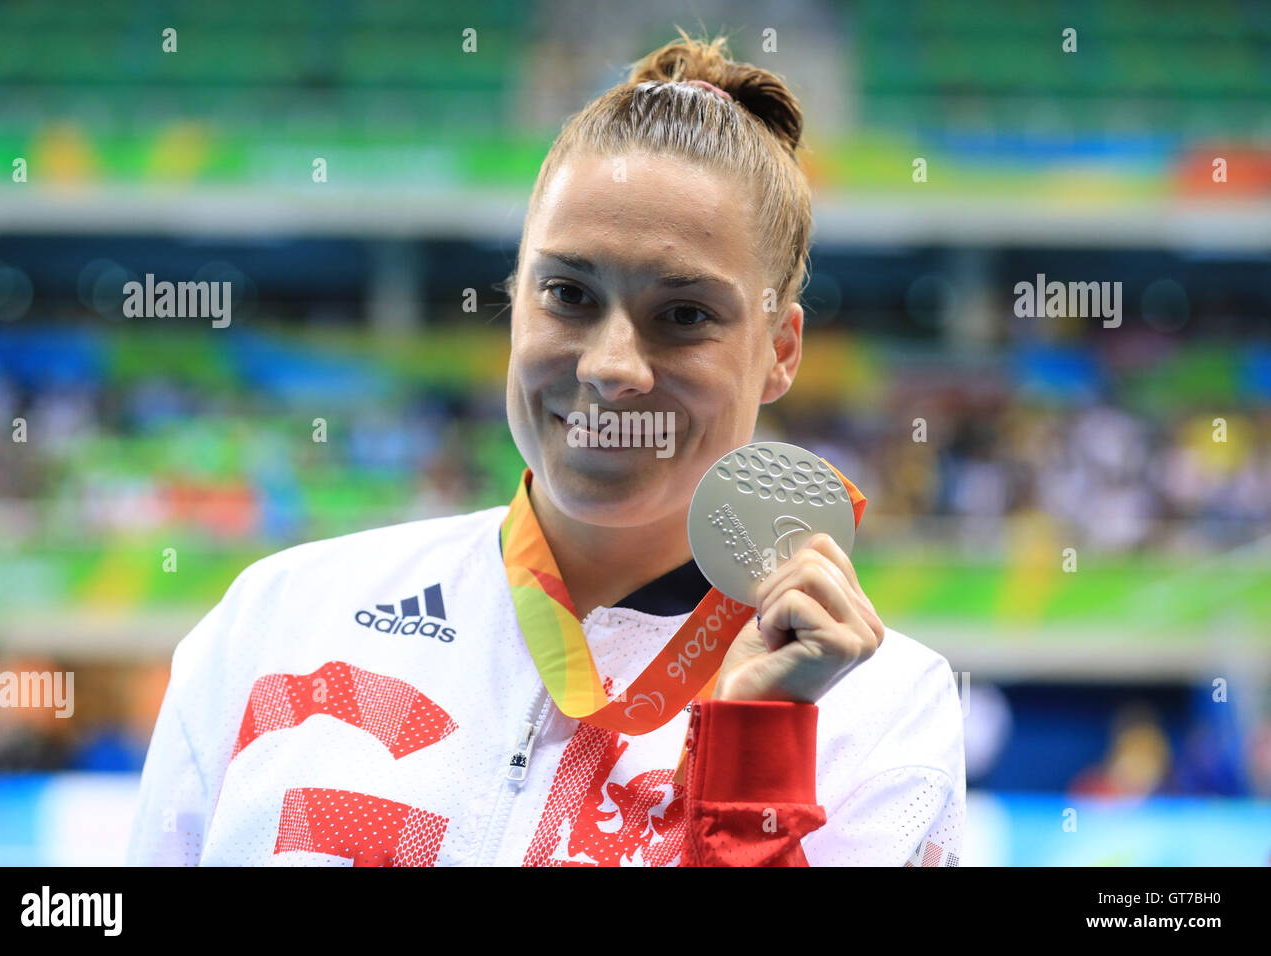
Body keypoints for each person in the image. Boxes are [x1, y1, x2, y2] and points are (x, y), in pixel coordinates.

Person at [127, 31, 965, 867]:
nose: (610, 368)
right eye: (568, 294)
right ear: (515, 298)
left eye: (685, 315)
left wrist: (755, 751)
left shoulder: (880, 709)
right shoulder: (278, 617)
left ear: (781, 349)